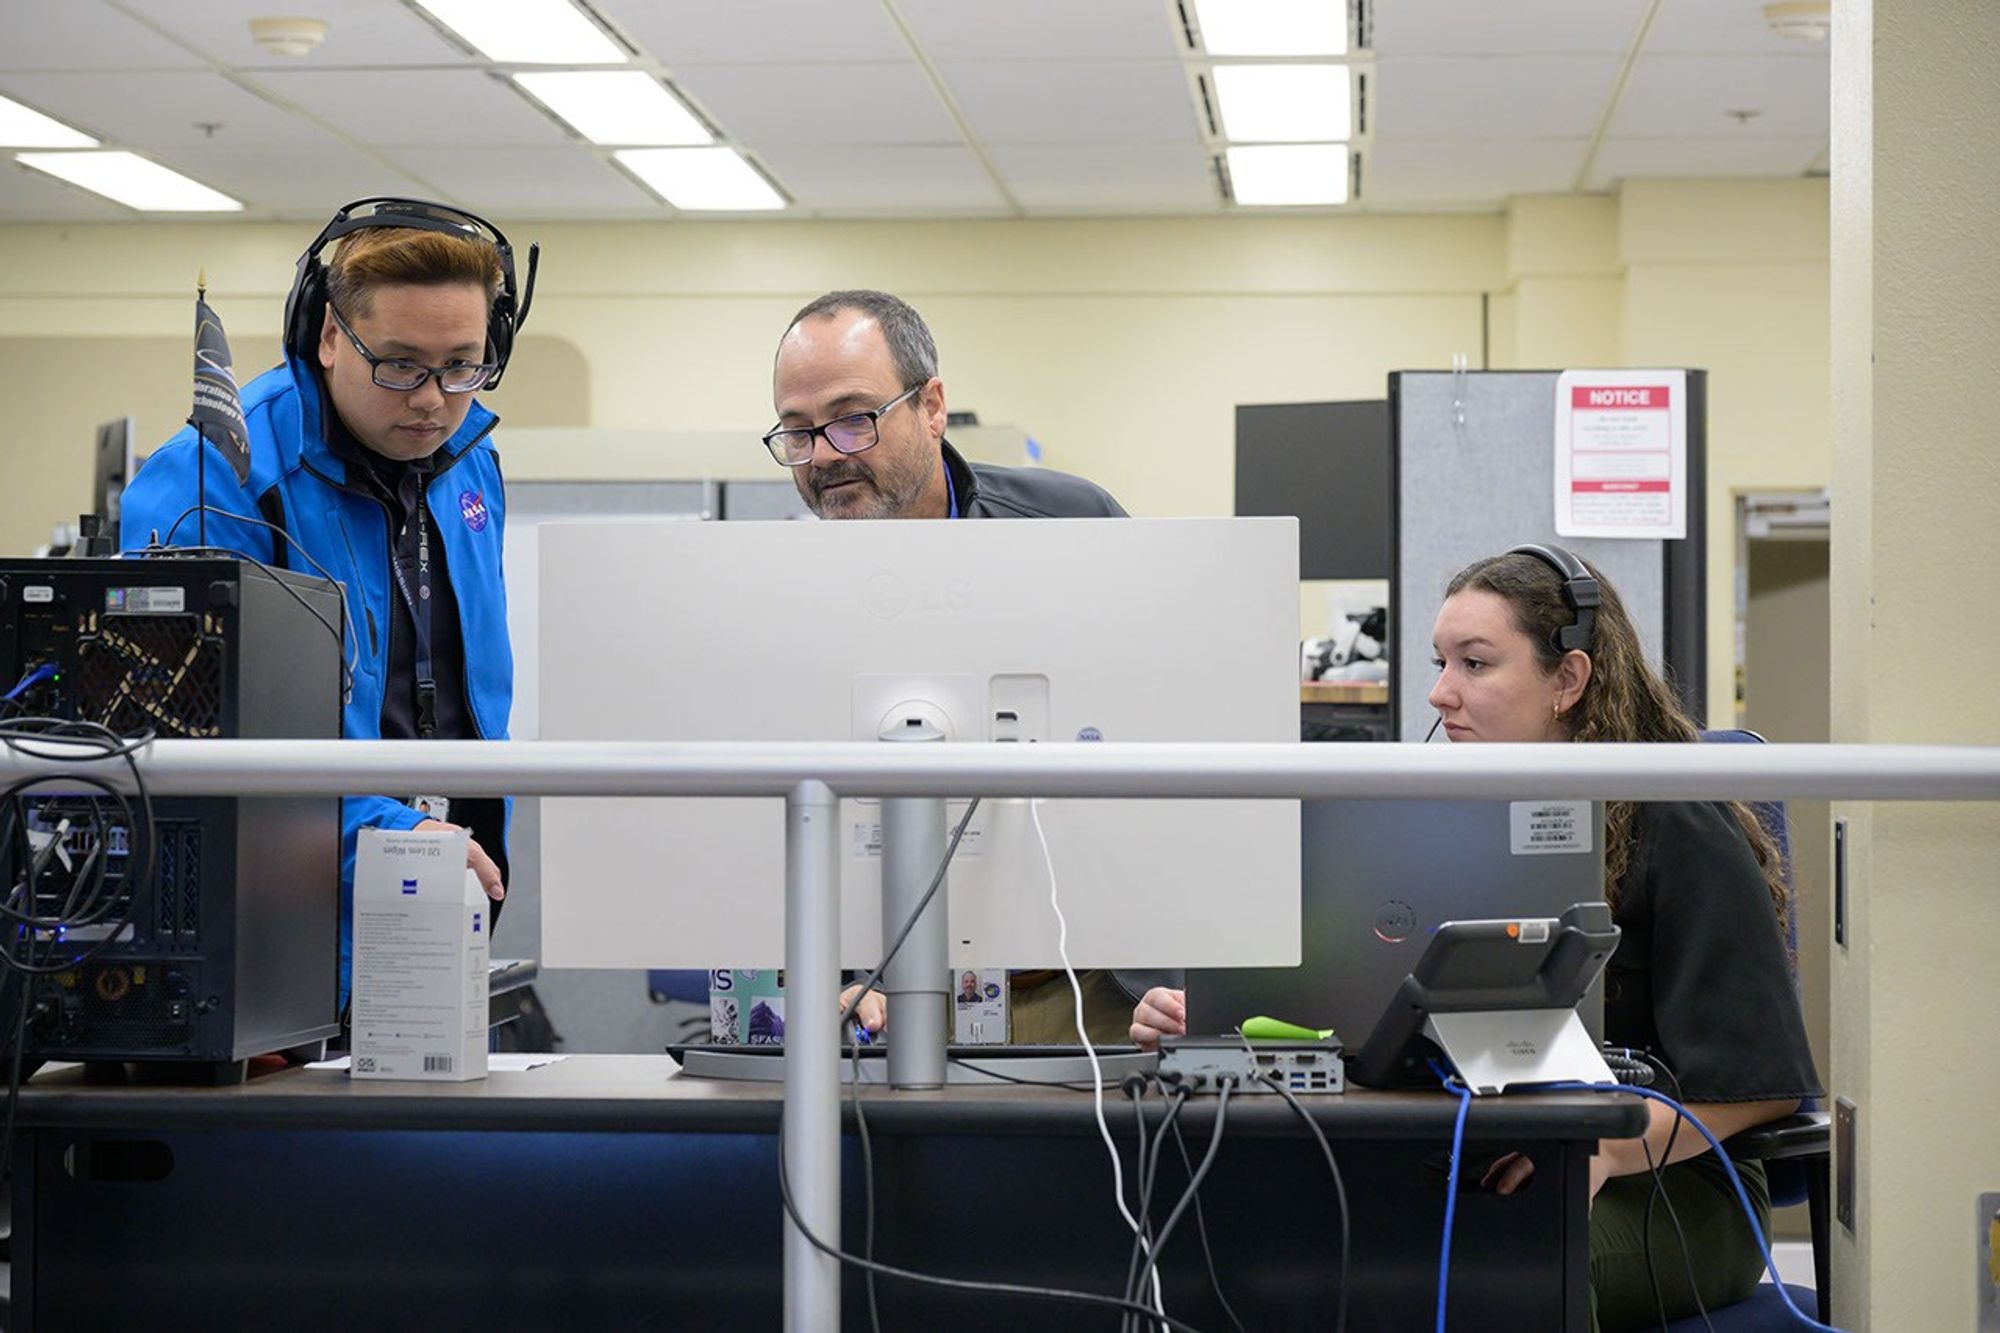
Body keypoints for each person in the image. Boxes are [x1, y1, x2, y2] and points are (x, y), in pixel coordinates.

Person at [1130, 546, 1821, 1330]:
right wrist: (1223, 1018)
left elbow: (1760, 1087)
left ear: (1568, 680)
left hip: (1666, 1185)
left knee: (1501, 1262)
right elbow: (1360, 1003)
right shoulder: (1439, 824)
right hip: (1484, 1159)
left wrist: (1604, 1154)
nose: (1439, 691)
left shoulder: (1679, 820)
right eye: (1441, 661)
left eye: (1476, 663)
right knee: (1299, 1243)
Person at [121, 197, 537, 1013]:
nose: (432, 399)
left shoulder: (468, 464)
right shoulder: (216, 478)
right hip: (273, 941)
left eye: (463, 363)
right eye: (401, 364)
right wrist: (384, 833)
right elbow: (190, 746)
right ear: (328, 335)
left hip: (440, 891)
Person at [769, 289, 1139, 1044]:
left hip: (1076, 986)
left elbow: (1159, 739)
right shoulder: (773, 597)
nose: (825, 456)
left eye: (852, 418)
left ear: (932, 405)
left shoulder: (1071, 528)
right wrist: (833, 973)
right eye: (799, 432)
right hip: (880, 1000)